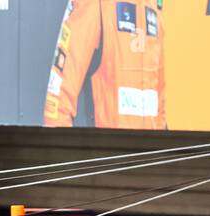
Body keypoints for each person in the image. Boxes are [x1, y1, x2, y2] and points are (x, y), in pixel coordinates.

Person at [43, 0, 166, 130]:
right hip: (107, 146)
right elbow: (59, 95)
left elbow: (160, 104)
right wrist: (57, 147)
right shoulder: (95, 4)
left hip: (149, 147)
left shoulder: (154, 6)